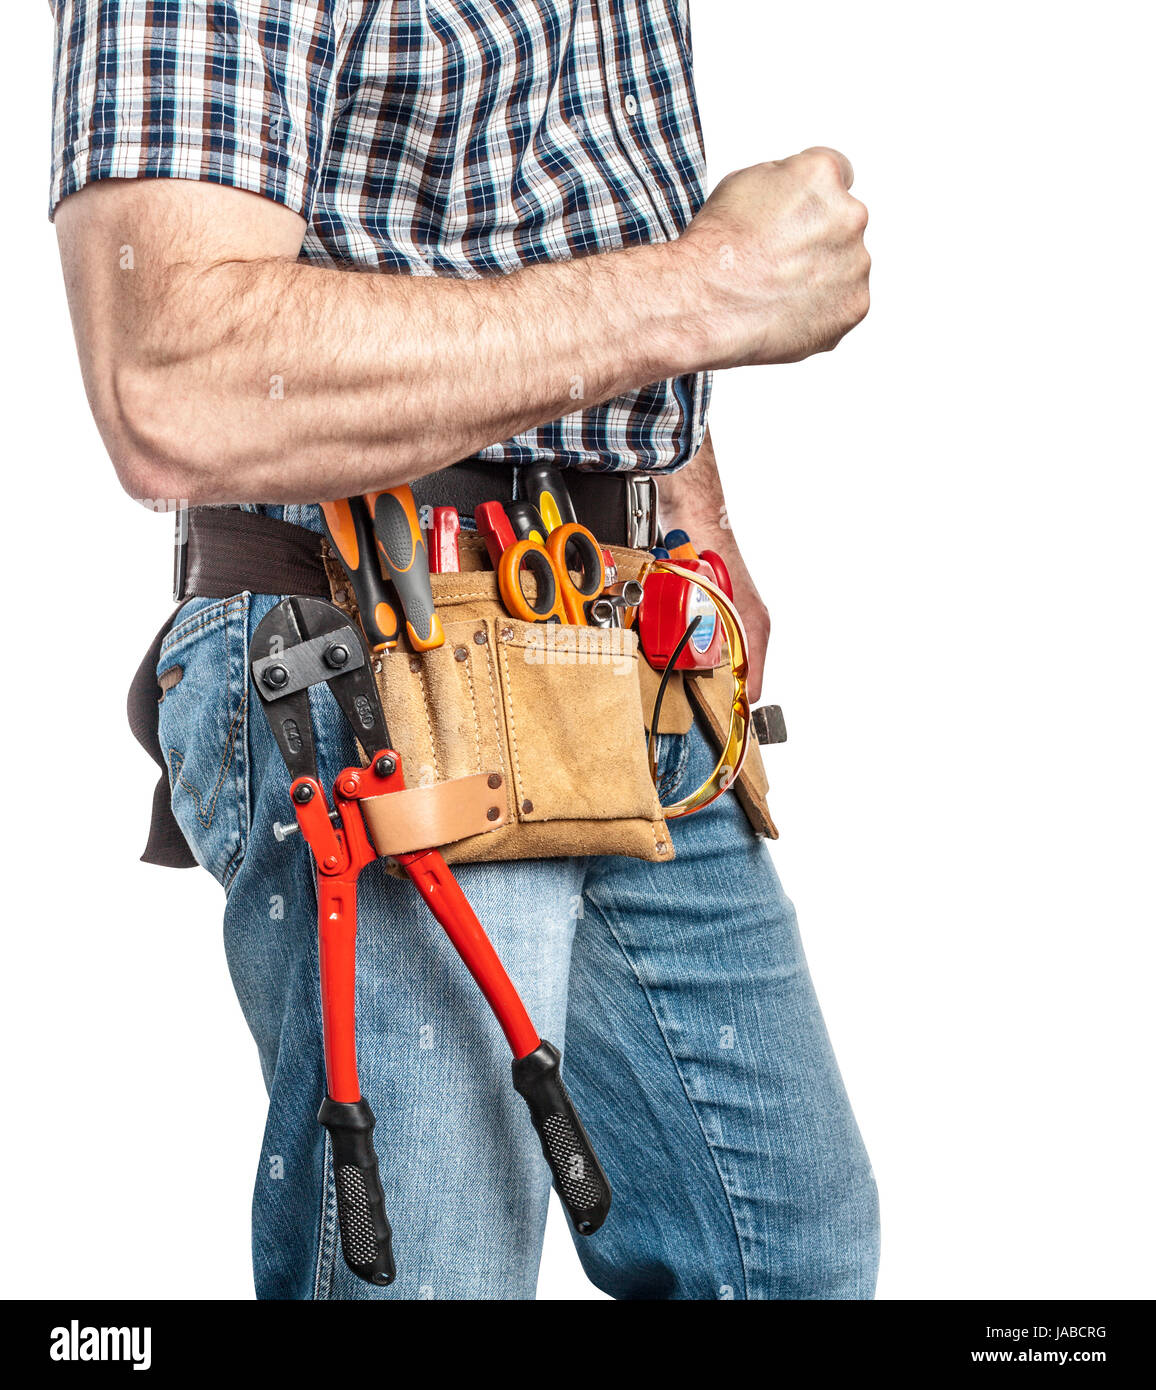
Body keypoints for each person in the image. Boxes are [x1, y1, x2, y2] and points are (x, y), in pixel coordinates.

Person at [50, 0, 877, 1299]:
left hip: (626, 635)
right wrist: (712, 287)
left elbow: (551, 203)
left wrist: (690, 511)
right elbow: (174, 378)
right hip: (381, 660)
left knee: (782, 1254)